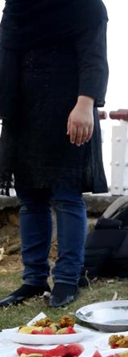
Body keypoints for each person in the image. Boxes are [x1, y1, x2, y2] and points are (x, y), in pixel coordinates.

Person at [0, 0, 109, 308]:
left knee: (66, 194)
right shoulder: (18, 7)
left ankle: (66, 280)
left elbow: (93, 55)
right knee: (30, 199)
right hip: (23, 110)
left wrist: (85, 104)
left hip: (68, 106)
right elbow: (6, 56)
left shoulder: (86, 6)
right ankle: (33, 280)